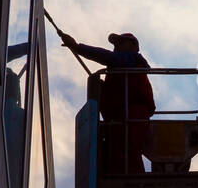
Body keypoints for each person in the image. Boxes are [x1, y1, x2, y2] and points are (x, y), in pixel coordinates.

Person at [59, 30, 155, 173]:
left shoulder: (130, 59)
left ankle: (133, 184)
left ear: (133, 46)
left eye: (121, 43)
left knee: (127, 154)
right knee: (120, 153)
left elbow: (106, 56)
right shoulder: (124, 66)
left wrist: (77, 47)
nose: (116, 47)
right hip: (124, 117)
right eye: (116, 44)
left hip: (132, 116)